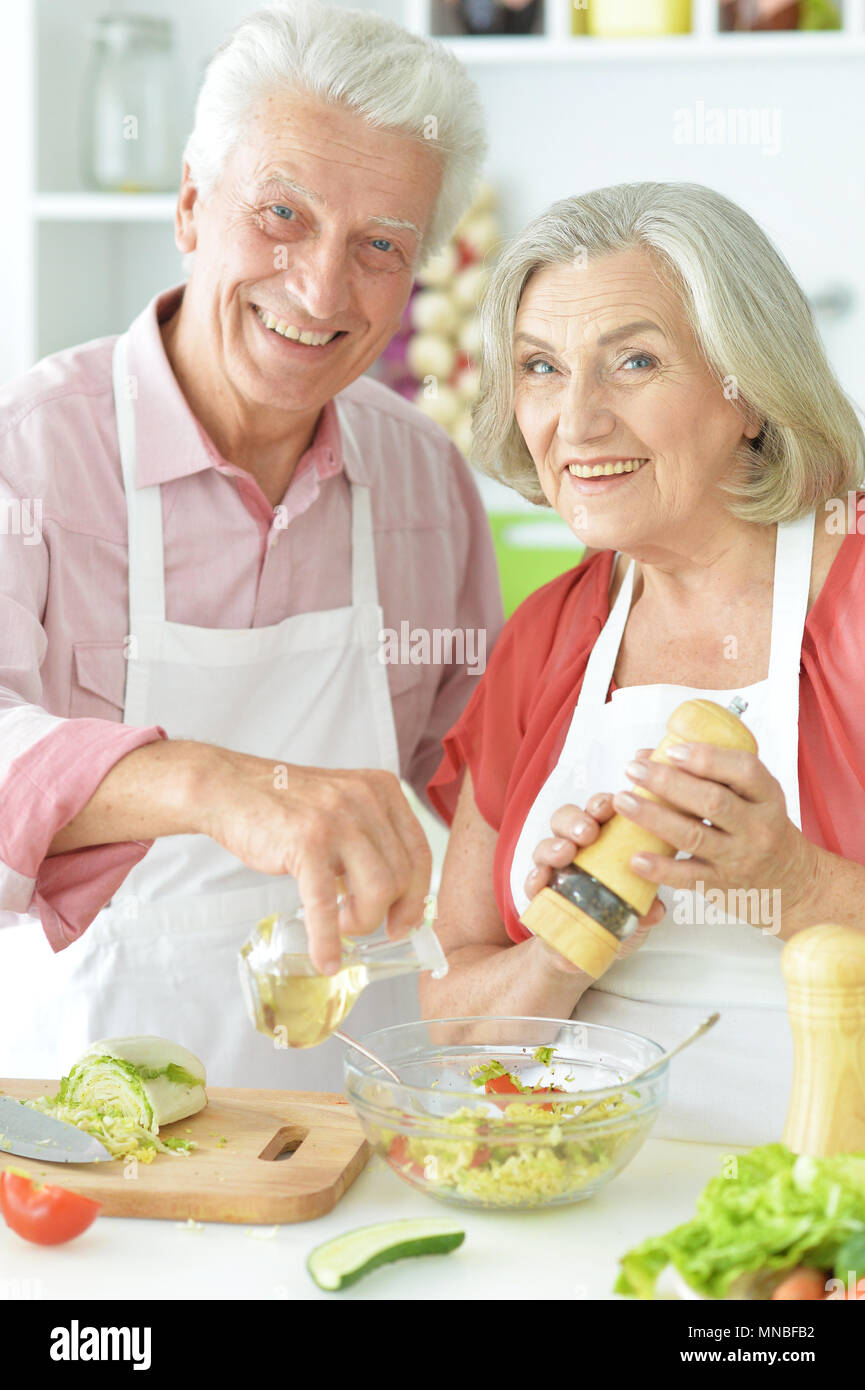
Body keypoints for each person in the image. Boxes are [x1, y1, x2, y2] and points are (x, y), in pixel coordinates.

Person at [0, 2, 502, 1087]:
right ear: (190, 204)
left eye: (380, 246)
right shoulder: (30, 458)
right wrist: (222, 787)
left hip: (369, 1108)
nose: (321, 289)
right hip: (85, 1126)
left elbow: (480, 794)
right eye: (282, 213)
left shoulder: (424, 479)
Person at [424, 181, 865, 1146]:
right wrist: (571, 937)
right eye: (541, 367)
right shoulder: (544, 635)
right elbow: (451, 1026)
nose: (576, 421)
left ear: (748, 393)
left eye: (634, 361)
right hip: (580, 1191)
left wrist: (790, 881)